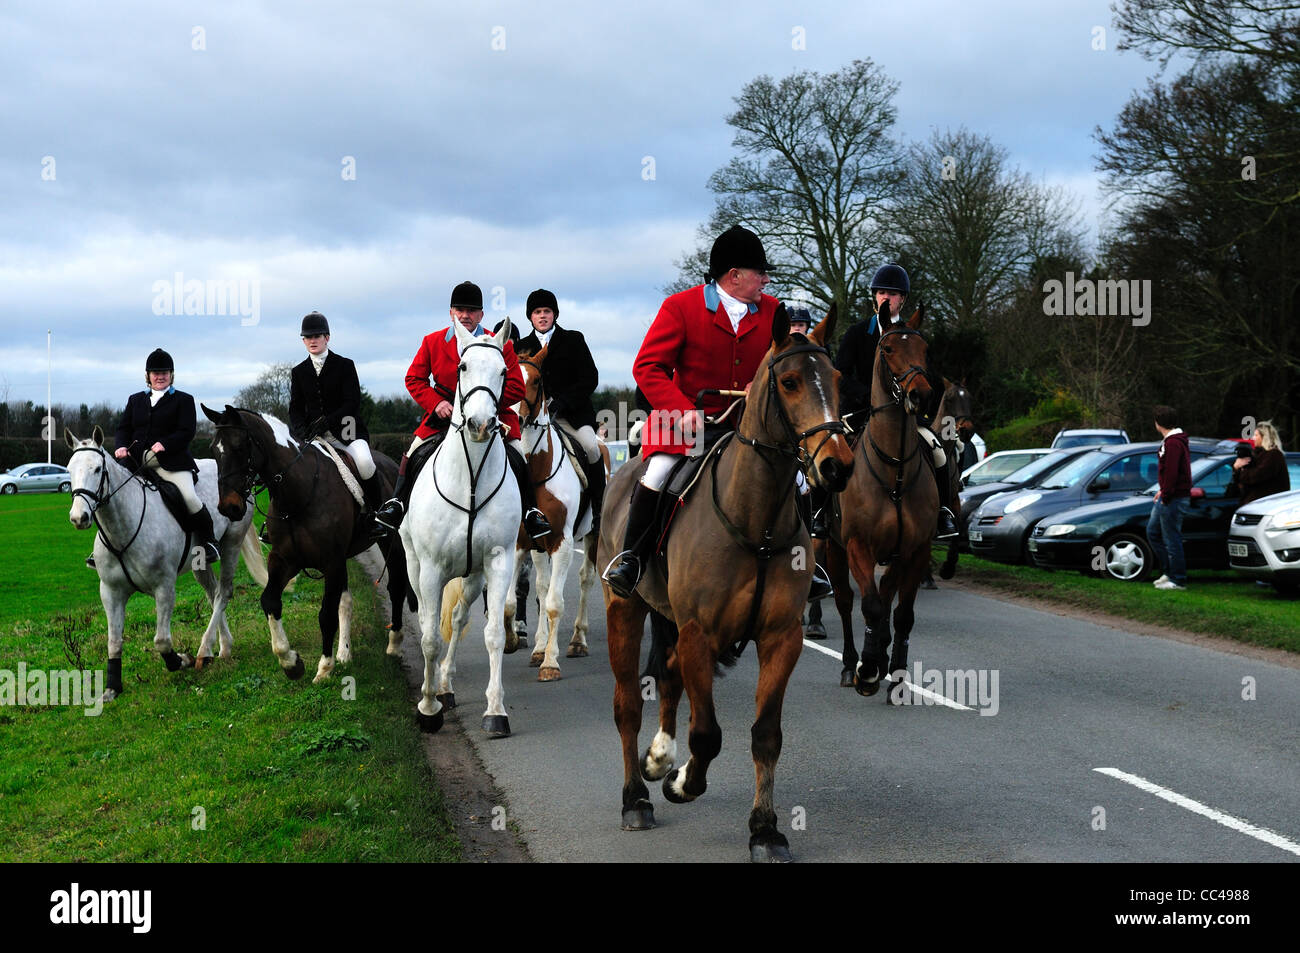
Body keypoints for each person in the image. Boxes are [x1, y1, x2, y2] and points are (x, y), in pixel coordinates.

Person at [602, 225, 833, 601]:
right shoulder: (680, 307)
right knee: (657, 474)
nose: (766, 280)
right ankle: (632, 559)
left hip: (751, 425)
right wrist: (680, 410)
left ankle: (805, 564)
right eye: (760, 273)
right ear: (734, 275)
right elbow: (647, 367)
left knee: (800, 481)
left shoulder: (773, 310)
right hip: (688, 425)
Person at [373, 281, 550, 540]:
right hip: (442, 416)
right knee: (413, 452)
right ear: (451, 313)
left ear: (481, 315)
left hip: (490, 417)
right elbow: (414, 379)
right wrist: (437, 403)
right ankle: (397, 504)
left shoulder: (500, 343)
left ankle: (531, 512)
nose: (465, 315)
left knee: (517, 454)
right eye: (459, 309)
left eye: (471, 310)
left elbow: (515, 387)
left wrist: (484, 404)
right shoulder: (432, 342)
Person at [833, 263, 958, 538]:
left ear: (903, 299)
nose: (886, 298)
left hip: (906, 415)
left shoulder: (914, 337)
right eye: (881, 293)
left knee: (938, 451)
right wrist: (867, 396)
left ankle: (943, 513)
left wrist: (919, 395)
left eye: (893, 293)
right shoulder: (857, 333)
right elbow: (840, 374)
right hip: (858, 413)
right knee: (829, 454)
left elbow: (931, 379)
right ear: (874, 297)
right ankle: (820, 515)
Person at [101, 348, 220, 566]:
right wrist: (120, 447)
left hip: (171, 462)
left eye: (164, 372)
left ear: (171, 374)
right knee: (112, 495)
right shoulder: (135, 400)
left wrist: (165, 443)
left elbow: (187, 431)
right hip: (136, 462)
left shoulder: (184, 400)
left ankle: (209, 542)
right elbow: (123, 428)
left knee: (190, 497)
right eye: (155, 372)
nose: (160, 376)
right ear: (148, 376)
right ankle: (102, 551)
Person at [516, 288, 606, 532]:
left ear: (554, 314)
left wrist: (563, 402)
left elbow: (590, 378)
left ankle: (599, 511)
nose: (542, 316)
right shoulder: (522, 347)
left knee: (590, 447)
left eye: (547, 311)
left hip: (572, 416)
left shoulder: (573, 339)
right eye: (537, 312)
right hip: (533, 420)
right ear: (530, 317)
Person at [287, 311, 385, 516]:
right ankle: (284, 519)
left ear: (327, 338)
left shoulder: (345, 365)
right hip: (314, 437)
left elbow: (352, 403)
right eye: (308, 337)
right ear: (303, 340)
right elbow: (295, 408)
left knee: (365, 463)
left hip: (348, 433)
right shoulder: (298, 371)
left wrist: (328, 421)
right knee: (288, 468)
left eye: (317, 336)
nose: (312, 340)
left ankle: (378, 514)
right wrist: (302, 429)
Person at [1149, 404, 1192, 591]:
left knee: (1171, 537)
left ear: (1159, 423)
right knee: (1153, 532)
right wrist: (1163, 490)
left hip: (1173, 498)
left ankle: (1178, 579)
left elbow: (1172, 472)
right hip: (1168, 495)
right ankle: (1168, 571)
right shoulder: (1171, 442)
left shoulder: (1173, 443)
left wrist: (1166, 494)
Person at [1233, 421, 1289, 506]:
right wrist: (1237, 467)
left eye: (1256, 435)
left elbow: (1256, 476)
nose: (1253, 438)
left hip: (1267, 505)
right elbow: (1241, 480)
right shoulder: (1258, 454)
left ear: (1265, 437)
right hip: (1257, 503)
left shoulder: (1274, 455)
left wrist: (1242, 471)